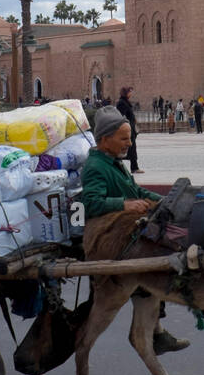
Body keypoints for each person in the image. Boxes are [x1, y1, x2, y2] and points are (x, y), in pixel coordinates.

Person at [80, 106, 188, 355]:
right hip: (114, 236)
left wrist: (163, 200)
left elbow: (136, 192)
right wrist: (124, 204)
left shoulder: (114, 163)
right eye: (124, 138)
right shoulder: (96, 167)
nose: (129, 143)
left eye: (130, 137)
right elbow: (90, 203)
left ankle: (156, 331)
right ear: (105, 139)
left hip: (128, 228)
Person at [116, 86, 142, 174]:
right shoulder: (121, 103)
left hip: (130, 129)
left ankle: (134, 167)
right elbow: (120, 116)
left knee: (132, 148)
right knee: (125, 148)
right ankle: (118, 165)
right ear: (125, 93)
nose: (131, 93)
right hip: (127, 129)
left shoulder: (126, 102)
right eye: (130, 92)